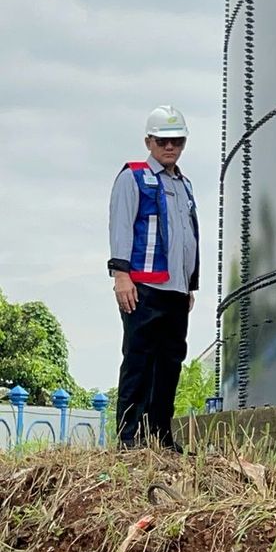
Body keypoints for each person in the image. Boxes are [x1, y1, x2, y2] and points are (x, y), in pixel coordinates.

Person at [107, 105, 199, 451]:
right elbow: (120, 227)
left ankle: (160, 435)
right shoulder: (133, 177)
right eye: (163, 141)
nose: (170, 147)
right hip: (143, 285)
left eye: (176, 141)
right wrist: (121, 275)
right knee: (138, 359)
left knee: (170, 364)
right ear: (149, 141)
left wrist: (189, 285)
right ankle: (128, 436)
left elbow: (187, 238)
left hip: (176, 290)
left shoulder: (184, 184)